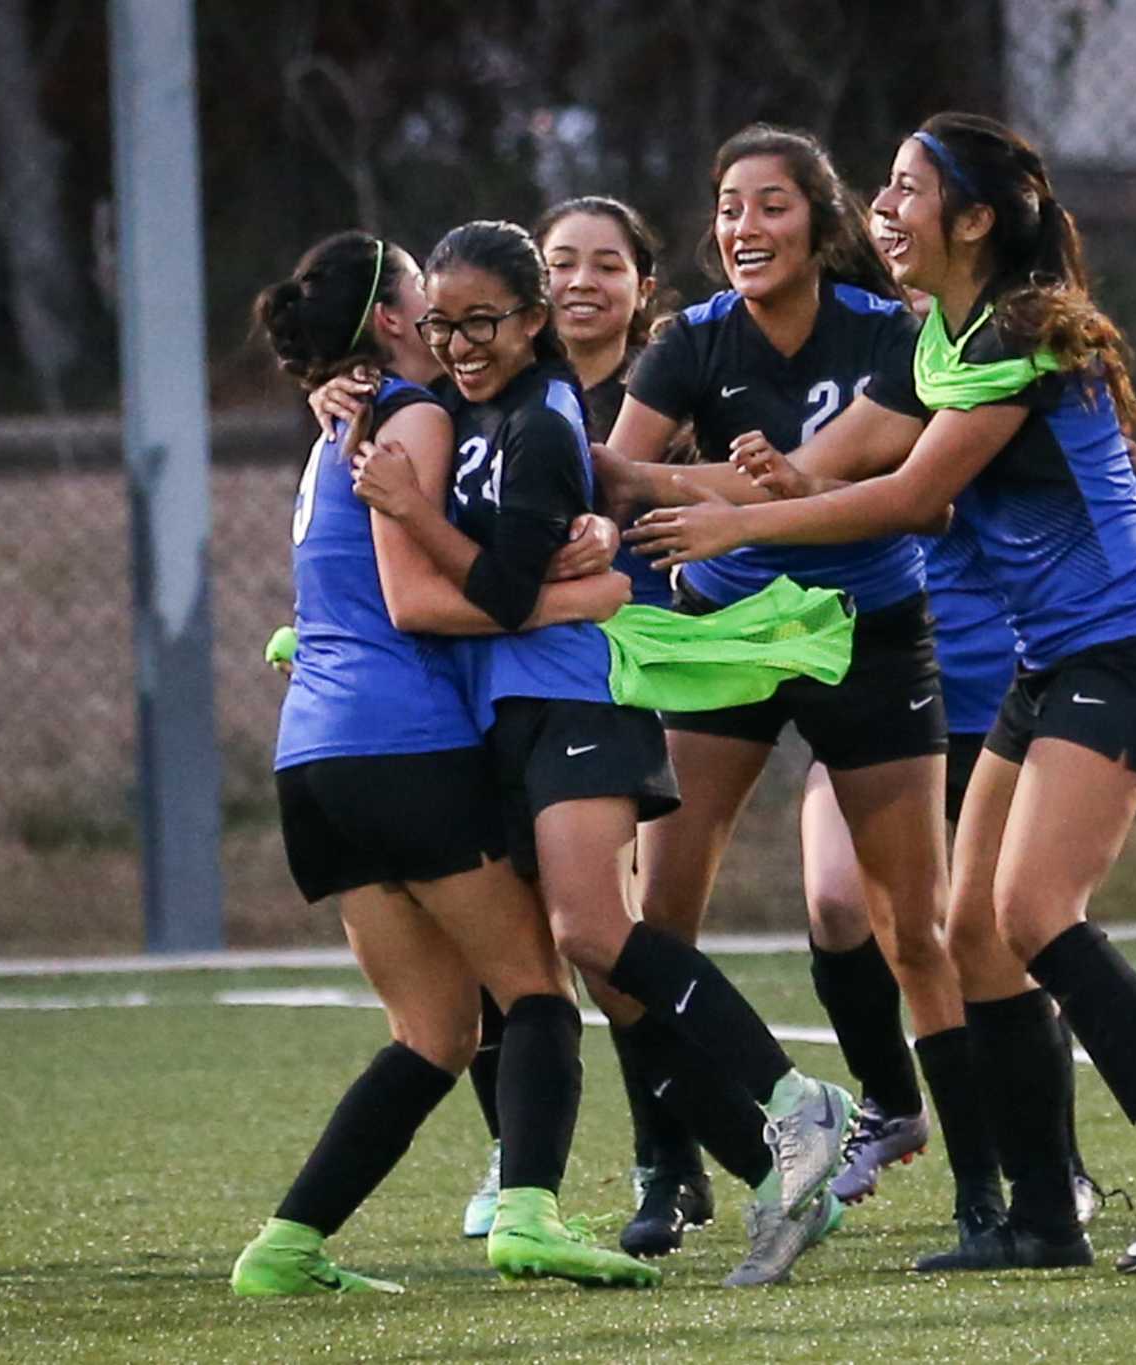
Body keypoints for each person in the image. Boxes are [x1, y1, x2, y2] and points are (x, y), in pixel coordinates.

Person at [632, 112, 1136, 1274]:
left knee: (1031, 914)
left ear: (971, 221)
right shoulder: (939, 340)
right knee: (970, 935)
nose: (883, 207)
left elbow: (912, 498)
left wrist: (743, 522)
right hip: (1047, 662)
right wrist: (754, 479)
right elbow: (835, 465)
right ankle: (1041, 1218)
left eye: (906, 187)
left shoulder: (1019, 335)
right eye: (883, 184)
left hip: (1122, 653)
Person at [348, 220, 858, 1289]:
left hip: (573, 696)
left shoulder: (540, 421)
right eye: (443, 325)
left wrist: (410, 513)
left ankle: (794, 1101)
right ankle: (775, 1177)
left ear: (532, 319)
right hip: (508, 710)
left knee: (593, 931)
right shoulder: (469, 410)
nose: (460, 345)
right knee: (601, 980)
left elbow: (499, 594)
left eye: (483, 323)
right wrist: (338, 396)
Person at [598, 124, 1003, 1258]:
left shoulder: (891, 333)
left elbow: (892, 485)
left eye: (769, 204)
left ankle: (984, 1190)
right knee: (653, 924)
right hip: (725, 634)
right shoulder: (691, 340)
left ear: (820, 224)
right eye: (728, 206)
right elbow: (616, 474)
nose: (743, 226)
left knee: (909, 925)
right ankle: (674, 1169)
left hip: (867, 632)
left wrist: (708, 491)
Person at [230, 230, 657, 1293]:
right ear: (389, 319)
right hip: (400, 743)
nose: (442, 319)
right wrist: (584, 595)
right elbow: (415, 602)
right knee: (538, 988)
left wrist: (590, 529)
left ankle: (285, 1246)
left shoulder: (346, 422)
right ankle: (528, 1216)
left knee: (433, 1032)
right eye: (422, 295)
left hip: (315, 758)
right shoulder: (410, 416)